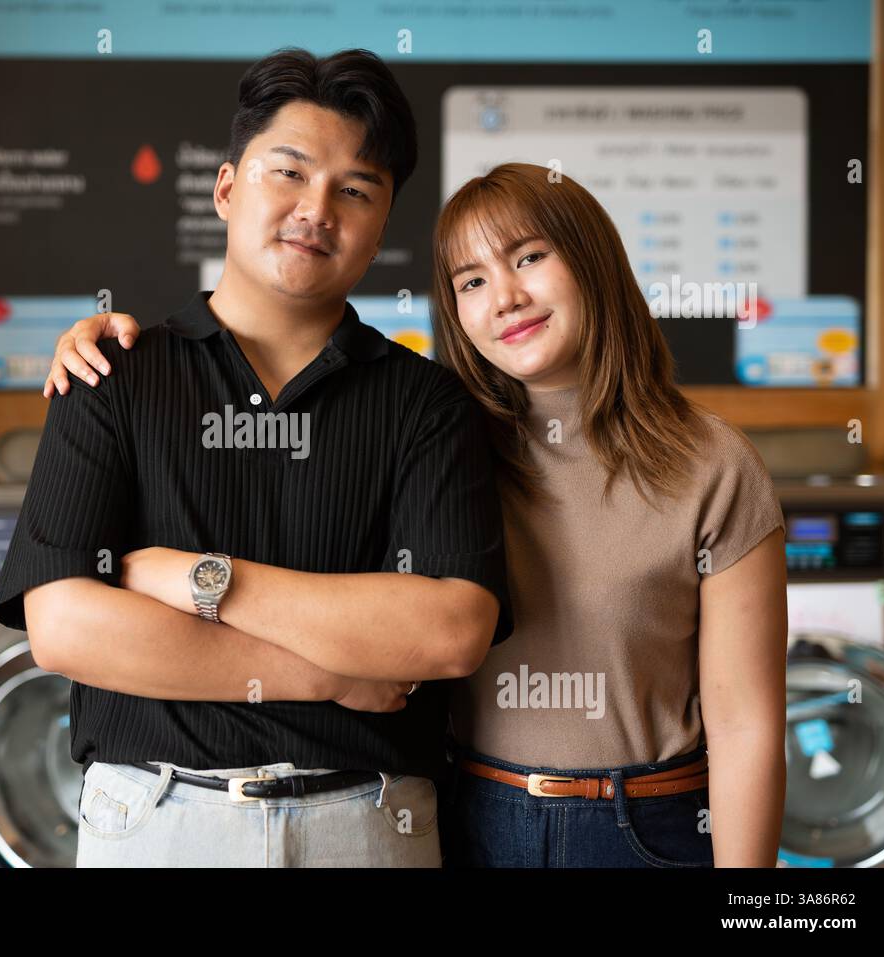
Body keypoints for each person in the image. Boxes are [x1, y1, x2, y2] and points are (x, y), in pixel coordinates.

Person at [43, 163, 789, 868]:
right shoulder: (445, 438)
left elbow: (746, 724)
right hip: (468, 815)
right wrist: (98, 339)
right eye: (472, 279)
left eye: (529, 258)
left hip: (649, 824)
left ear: (593, 261)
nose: (505, 297)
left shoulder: (711, 463)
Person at [0, 47, 513, 868]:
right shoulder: (110, 375)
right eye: (291, 173)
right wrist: (332, 675)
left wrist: (189, 575)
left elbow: (447, 631)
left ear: (380, 230)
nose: (317, 208)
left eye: (356, 190)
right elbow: (66, 627)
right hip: (157, 819)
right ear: (227, 188)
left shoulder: (427, 405)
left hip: (366, 823)